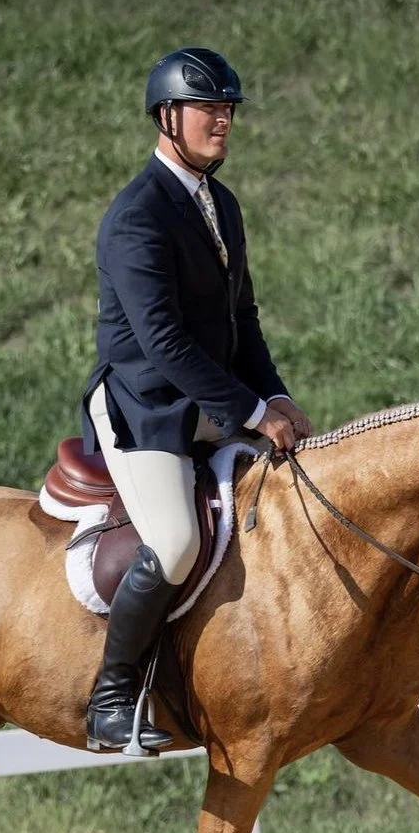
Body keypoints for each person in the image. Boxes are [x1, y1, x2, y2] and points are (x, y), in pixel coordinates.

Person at [80, 46, 313, 754]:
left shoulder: (221, 204)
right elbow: (163, 345)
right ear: (167, 116)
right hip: (143, 406)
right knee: (176, 540)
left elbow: (242, 322)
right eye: (210, 108)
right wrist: (251, 412)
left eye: (229, 110)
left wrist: (276, 394)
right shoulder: (137, 216)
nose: (223, 121)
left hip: (208, 401)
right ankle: (110, 698)